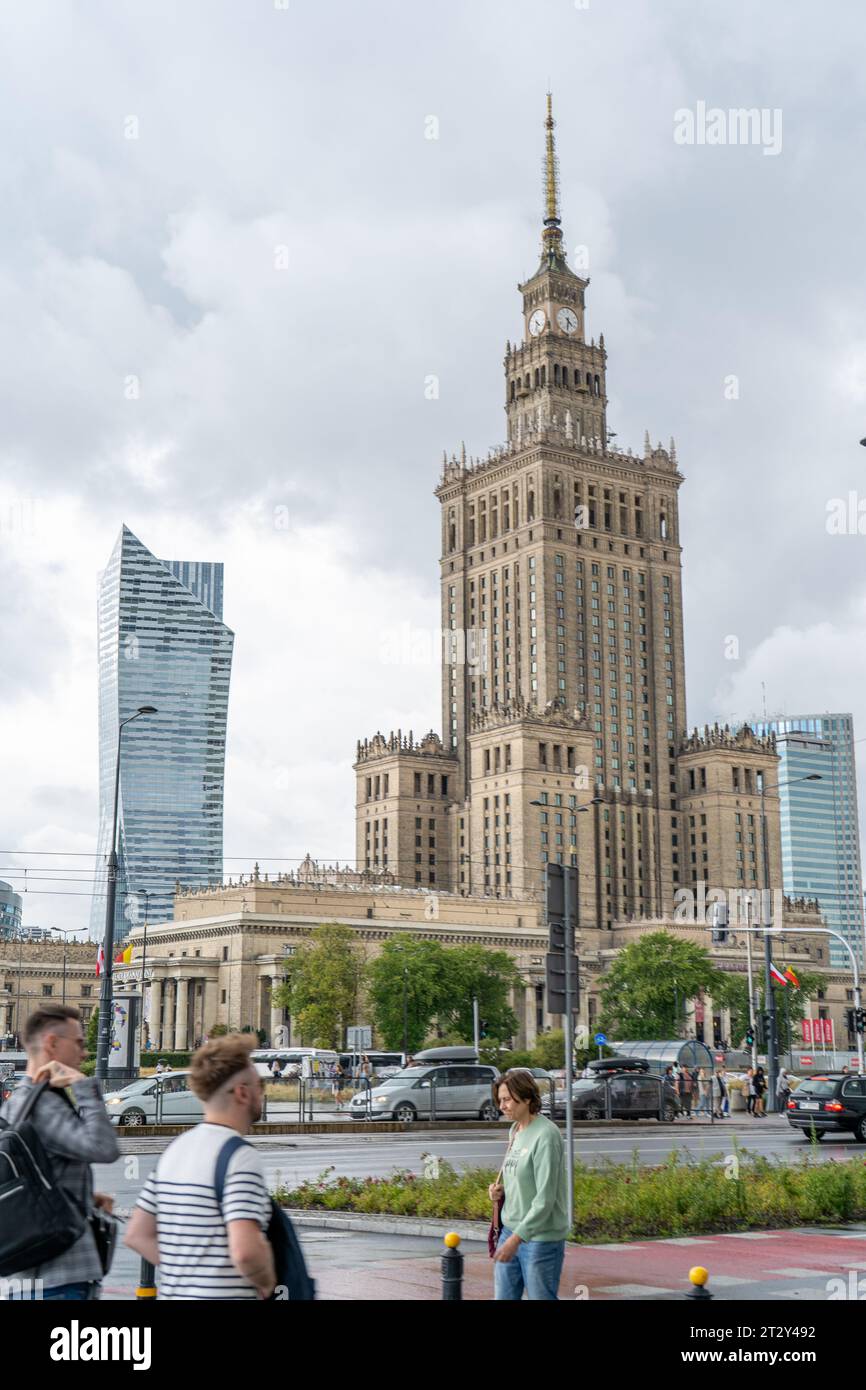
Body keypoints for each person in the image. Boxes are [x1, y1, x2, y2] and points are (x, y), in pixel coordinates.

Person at [125, 1034, 276, 1300]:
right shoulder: (239, 1156)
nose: (262, 1092)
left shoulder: (175, 1149)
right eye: (259, 1084)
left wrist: (188, 1274)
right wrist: (267, 1282)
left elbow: (137, 1235)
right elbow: (246, 1252)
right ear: (242, 1092)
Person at [1, 1004, 120, 1300]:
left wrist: (85, 1196)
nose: (84, 1053)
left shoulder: (17, 1103)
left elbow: (32, 1175)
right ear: (52, 1043)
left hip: (31, 1277)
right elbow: (104, 1148)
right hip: (59, 1276)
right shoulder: (44, 1105)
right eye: (78, 1043)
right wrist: (84, 1087)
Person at [488, 1070, 569, 1301]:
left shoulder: (546, 1135)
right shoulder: (515, 1130)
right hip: (510, 1230)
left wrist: (516, 1240)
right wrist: (500, 1193)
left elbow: (545, 1199)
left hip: (541, 1239)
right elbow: (521, 1179)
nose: (502, 1106)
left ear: (526, 1098)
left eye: (507, 1099)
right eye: (500, 1100)